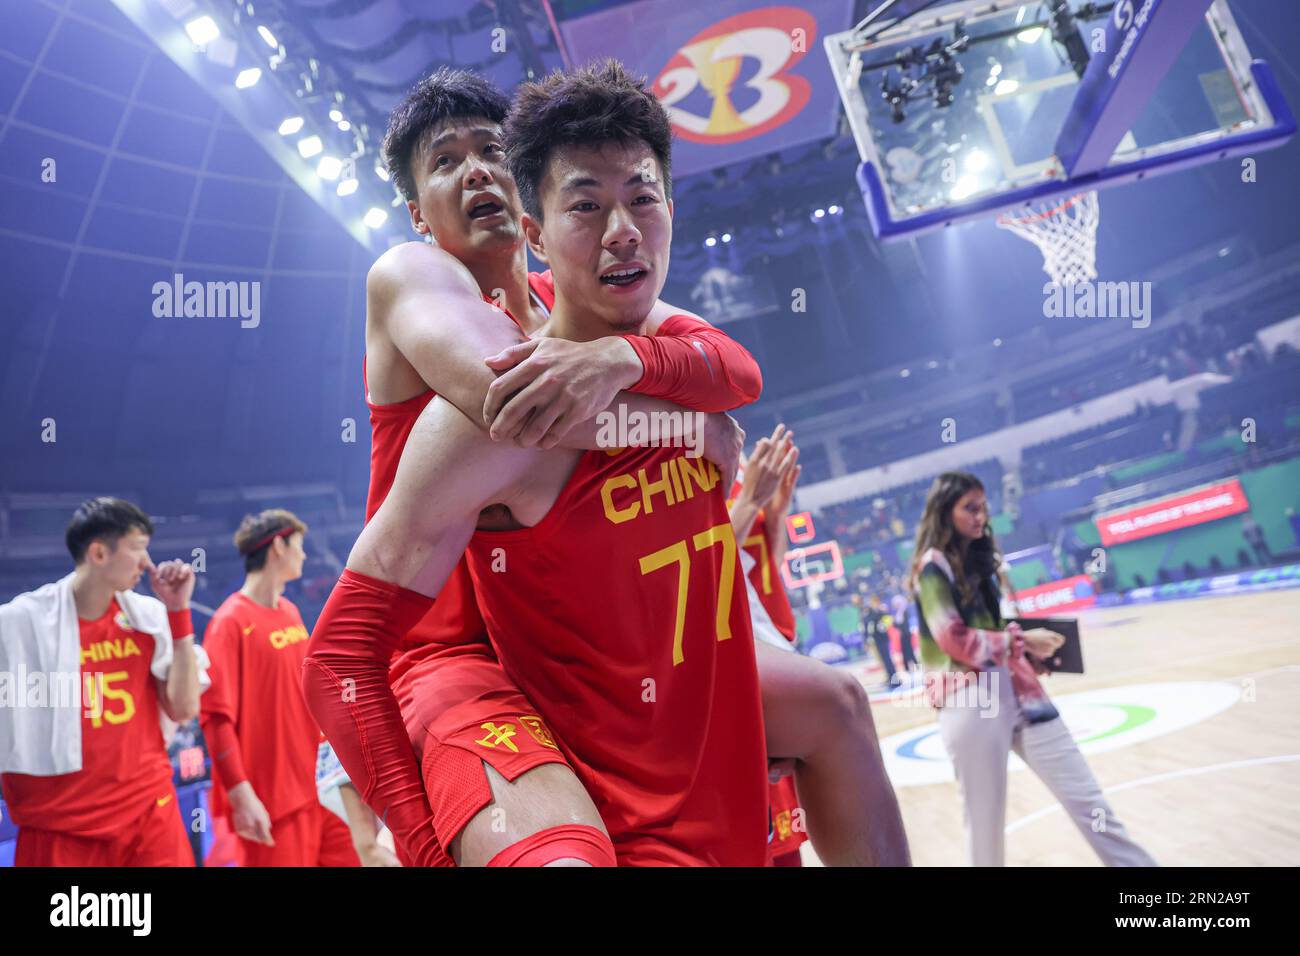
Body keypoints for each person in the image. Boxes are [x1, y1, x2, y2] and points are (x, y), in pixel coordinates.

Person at [306, 61, 772, 866]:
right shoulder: (413, 274)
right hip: (446, 653)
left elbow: (734, 369)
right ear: (418, 213)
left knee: (831, 708)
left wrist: (627, 359)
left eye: (490, 149)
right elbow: (513, 408)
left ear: (526, 196)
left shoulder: (568, 296)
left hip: (561, 646)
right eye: (445, 161)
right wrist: (688, 431)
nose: (477, 168)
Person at [909, 472, 1156, 867]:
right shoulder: (932, 566)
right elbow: (952, 638)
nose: (980, 516)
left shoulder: (982, 561)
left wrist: (1026, 652)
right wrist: (1018, 642)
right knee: (985, 834)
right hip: (973, 699)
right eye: (969, 508)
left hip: (1021, 692)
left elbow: (993, 633)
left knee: (1091, 804)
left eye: (983, 507)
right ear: (944, 512)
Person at [0, 497, 203, 866]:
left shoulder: (150, 617)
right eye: (138, 549)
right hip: (62, 828)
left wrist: (178, 614)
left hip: (149, 816)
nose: (147, 563)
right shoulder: (18, 624)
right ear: (98, 553)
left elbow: (185, 708)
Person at [199, 509, 367, 867]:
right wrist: (241, 796)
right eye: (299, 546)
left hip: (318, 784)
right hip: (273, 799)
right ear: (278, 545)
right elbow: (215, 719)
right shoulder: (228, 623)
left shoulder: (290, 611)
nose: (304, 555)